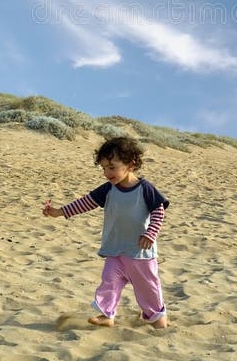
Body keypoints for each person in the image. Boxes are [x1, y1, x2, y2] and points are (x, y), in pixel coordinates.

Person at [42, 137, 169, 329]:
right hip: (115, 250)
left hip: (140, 253)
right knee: (109, 282)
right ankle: (107, 315)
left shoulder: (145, 188)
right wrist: (60, 212)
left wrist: (151, 233)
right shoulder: (108, 189)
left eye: (111, 167)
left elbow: (158, 211)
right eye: (103, 168)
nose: (107, 173)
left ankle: (158, 319)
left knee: (148, 289)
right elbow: (85, 203)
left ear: (131, 164)